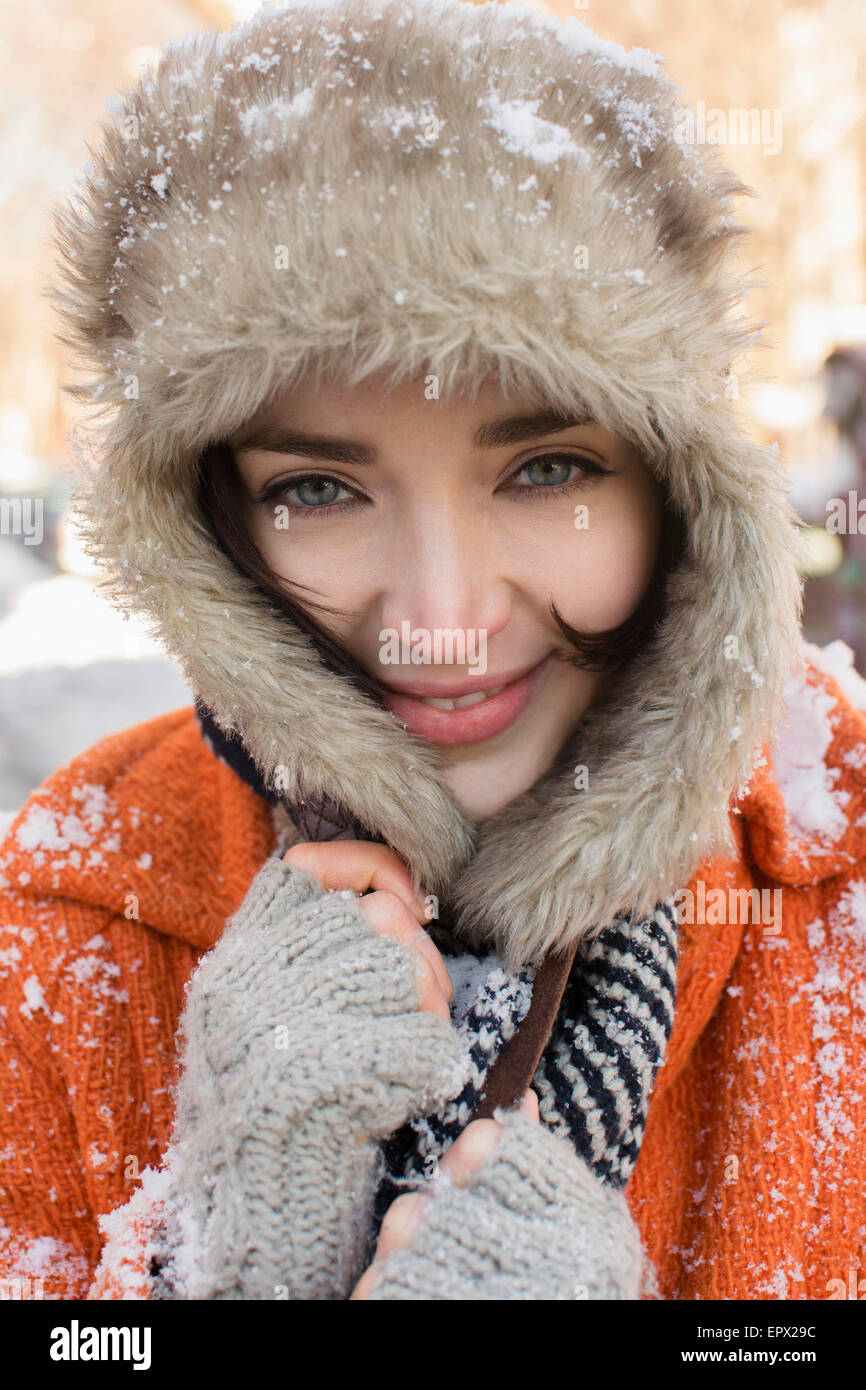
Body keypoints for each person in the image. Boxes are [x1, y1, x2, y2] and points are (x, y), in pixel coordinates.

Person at [1, 0, 864, 1301]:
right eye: (318, 488)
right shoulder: (75, 905)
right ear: (210, 517)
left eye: (547, 467)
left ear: (678, 492)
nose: (442, 618)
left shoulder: (837, 879)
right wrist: (228, 1264)